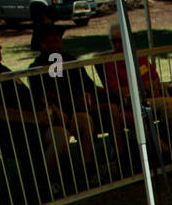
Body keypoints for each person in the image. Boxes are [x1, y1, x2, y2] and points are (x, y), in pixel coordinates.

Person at [0, 25, 70, 192]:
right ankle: (41, 182)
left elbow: (29, 97)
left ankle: (46, 178)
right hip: (11, 134)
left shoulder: (3, 70)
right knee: (59, 136)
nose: (0, 47)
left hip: (31, 126)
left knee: (63, 131)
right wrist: (32, 118)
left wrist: (50, 108)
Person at [28, 22, 127, 171]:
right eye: (51, 37)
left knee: (112, 108)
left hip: (86, 106)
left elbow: (89, 85)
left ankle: (121, 158)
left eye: (57, 36)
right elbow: (44, 97)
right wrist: (73, 102)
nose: (56, 39)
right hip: (63, 114)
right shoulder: (36, 68)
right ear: (41, 43)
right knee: (84, 120)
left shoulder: (68, 59)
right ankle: (87, 168)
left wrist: (113, 93)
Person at [102, 23, 172, 142]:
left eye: (119, 41)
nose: (117, 45)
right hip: (135, 102)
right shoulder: (111, 62)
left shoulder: (139, 56)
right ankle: (170, 143)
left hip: (153, 97)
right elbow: (115, 89)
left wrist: (153, 85)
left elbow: (155, 78)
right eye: (114, 41)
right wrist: (142, 87)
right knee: (169, 105)